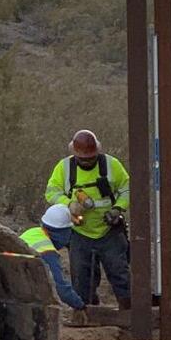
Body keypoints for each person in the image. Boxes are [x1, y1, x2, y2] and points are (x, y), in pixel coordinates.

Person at [44, 130, 131, 306]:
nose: (86, 161)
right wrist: (69, 204)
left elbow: (127, 189)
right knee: (82, 278)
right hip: (79, 232)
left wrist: (117, 209)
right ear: (74, 154)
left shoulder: (111, 165)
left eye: (90, 158)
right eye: (82, 159)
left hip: (109, 231)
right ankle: (86, 312)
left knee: (119, 273)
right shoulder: (65, 168)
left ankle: (128, 311)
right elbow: (51, 192)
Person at [19, 206, 88, 314]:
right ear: (63, 232)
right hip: (24, 291)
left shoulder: (32, 232)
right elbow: (60, 289)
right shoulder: (48, 251)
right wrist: (80, 306)